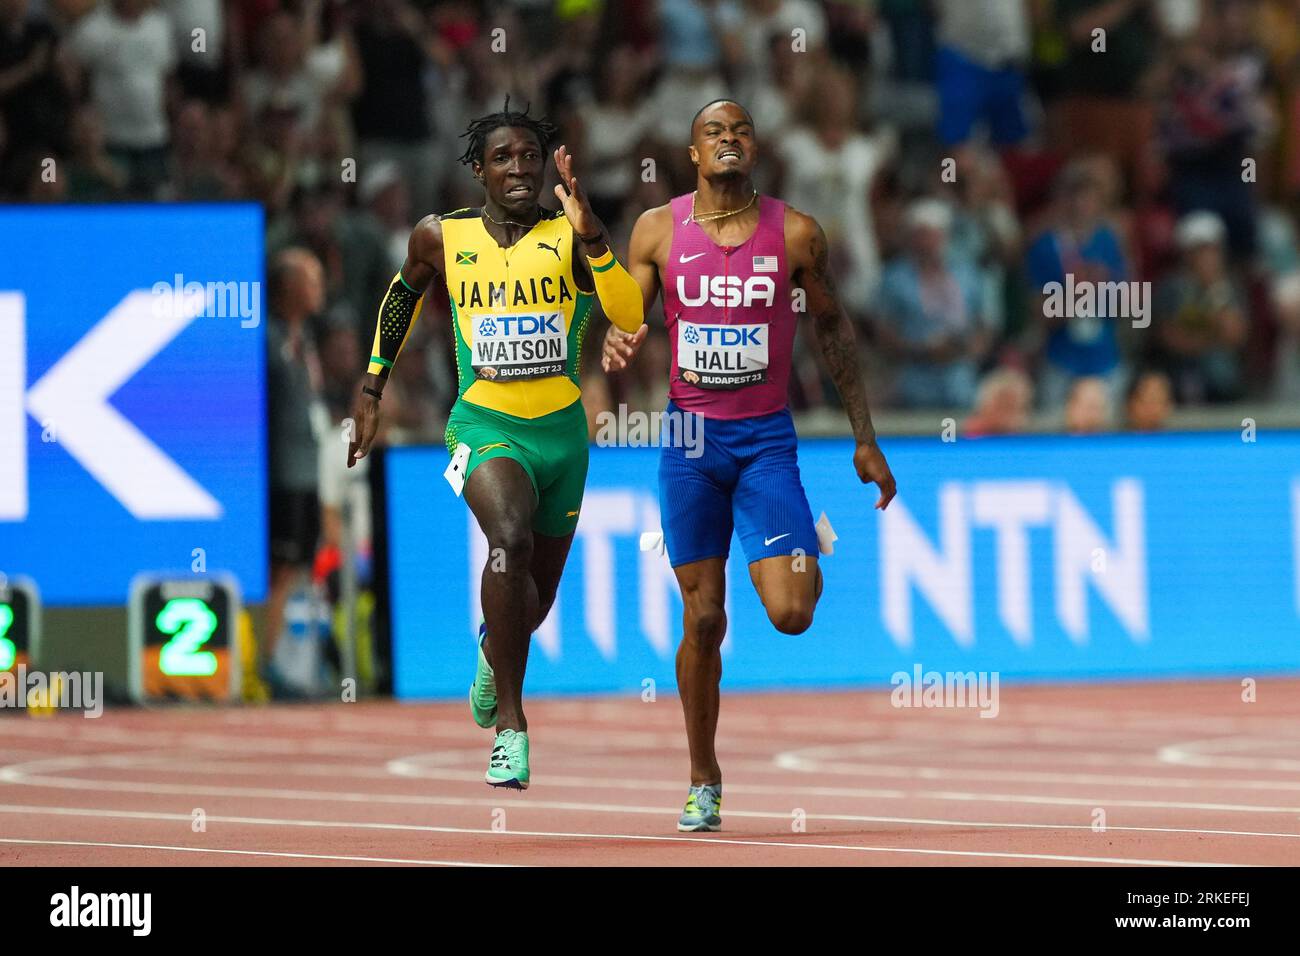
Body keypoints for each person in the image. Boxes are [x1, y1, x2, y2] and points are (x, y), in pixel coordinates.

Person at [603, 100, 896, 832]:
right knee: (703, 621)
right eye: (713, 132)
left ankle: (798, 538)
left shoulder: (796, 234)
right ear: (693, 154)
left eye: (740, 130)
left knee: (793, 613)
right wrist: (619, 337)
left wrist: (865, 436)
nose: (728, 139)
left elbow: (832, 328)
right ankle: (703, 775)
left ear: (755, 148)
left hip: (766, 441)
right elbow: (628, 312)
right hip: (692, 446)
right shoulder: (656, 230)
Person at [347, 101, 644, 789]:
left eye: (530, 157)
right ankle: (512, 726)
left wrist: (594, 235)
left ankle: (492, 652)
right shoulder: (439, 236)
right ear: (478, 169)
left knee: (530, 601)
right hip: (483, 425)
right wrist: (370, 390)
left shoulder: (568, 237)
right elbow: (402, 296)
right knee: (506, 538)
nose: (519, 168)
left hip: (564, 437)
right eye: (504, 158)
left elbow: (629, 313)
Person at [265, 248, 330, 698]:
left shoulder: (304, 339)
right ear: (289, 287)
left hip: (309, 471)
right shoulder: (268, 341)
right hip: (283, 474)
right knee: (282, 569)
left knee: (307, 566)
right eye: (311, 279)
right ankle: (265, 662)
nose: (319, 288)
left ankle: (299, 666)